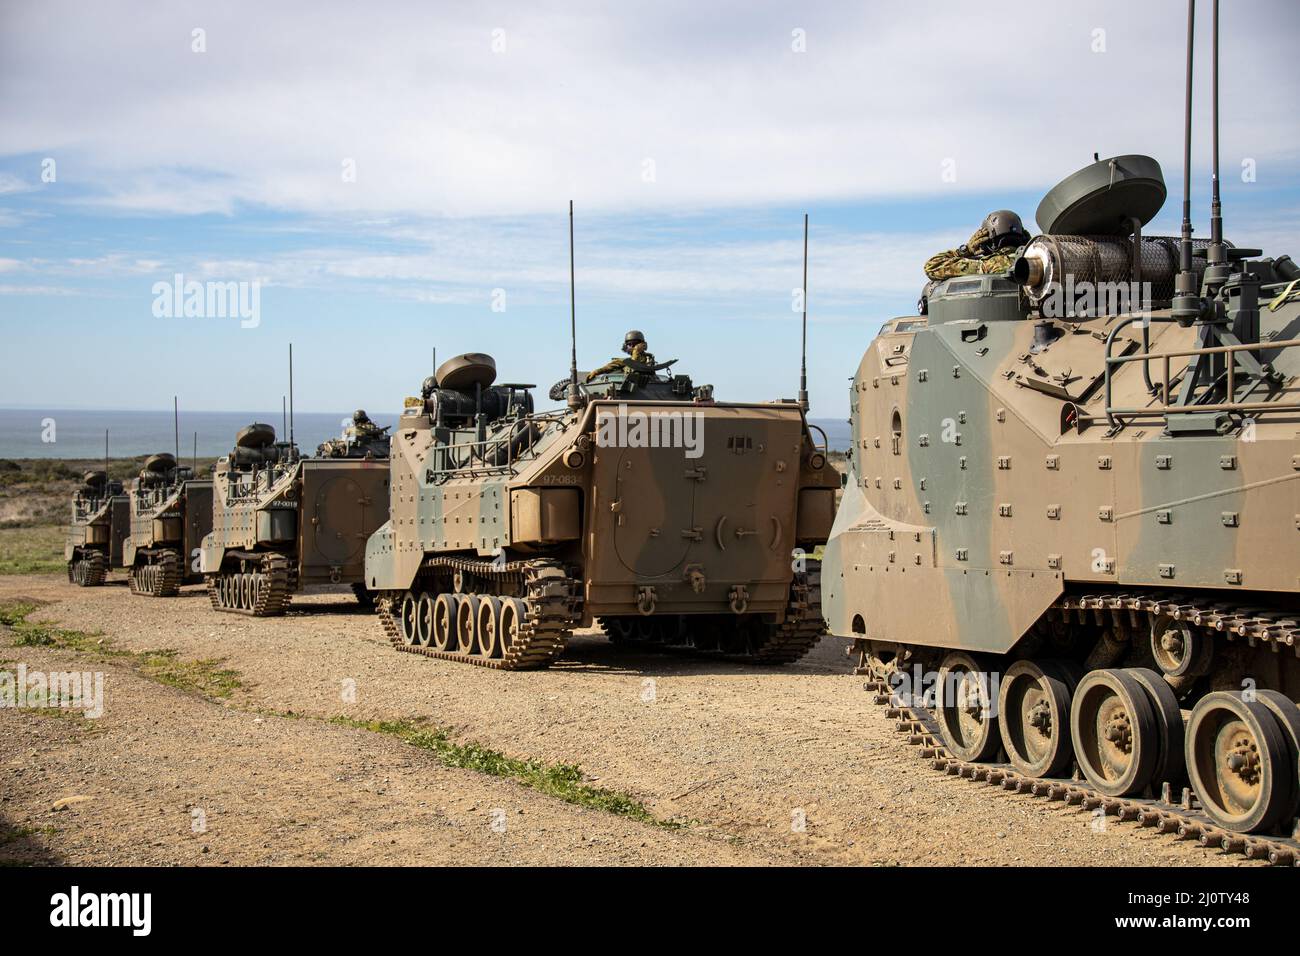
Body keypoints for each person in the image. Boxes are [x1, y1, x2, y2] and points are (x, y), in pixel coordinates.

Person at [923, 210, 1030, 281]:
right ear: (1023, 236)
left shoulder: (986, 266)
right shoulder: (1036, 262)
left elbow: (932, 266)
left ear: (987, 241)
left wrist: (966, 250)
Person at [586, 330, 657, 381]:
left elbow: (635, 365)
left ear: (642, 345)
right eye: (629, 344)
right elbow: (610, 367)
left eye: (635, 344)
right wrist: (597, 372)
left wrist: (636, 350)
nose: (632, 346)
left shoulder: (648, 360)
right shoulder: (624, 362)